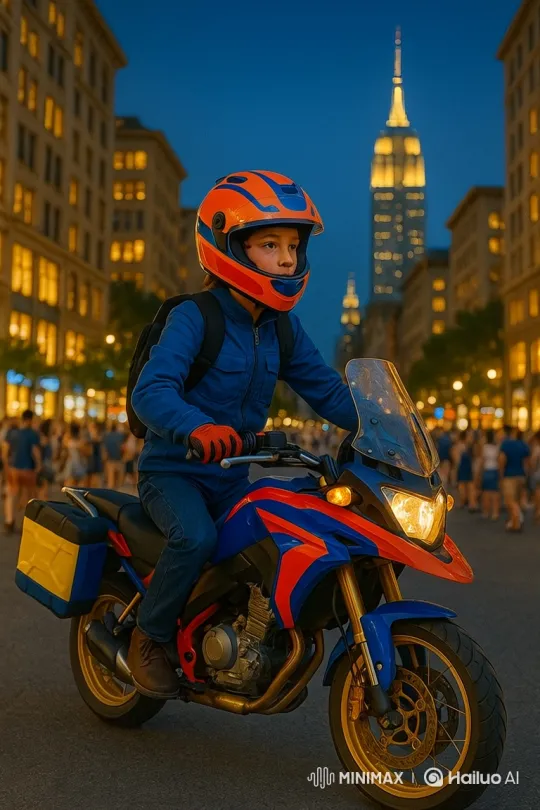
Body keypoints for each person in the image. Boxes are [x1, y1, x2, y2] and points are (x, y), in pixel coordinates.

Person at [126, 170, 359, 698]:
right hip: (174, 473)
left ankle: (261, 641)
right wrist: (198, 427)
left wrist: (387, 423)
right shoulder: (194, 316)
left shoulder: (280, 327)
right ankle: (149, 635)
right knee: (197, 538)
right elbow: (152, 391)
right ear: (228, 245)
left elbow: (326, 390)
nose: (285, 259)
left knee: (286, 530)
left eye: (293, 247)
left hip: (232, 478)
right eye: (269, 245)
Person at [2, 410, 40, 533]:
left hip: (13, 468)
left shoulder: (12, 433)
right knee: (28, 496)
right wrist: (39, 465)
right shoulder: (32, 434)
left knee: (11, 495)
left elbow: (5, 451)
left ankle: (9, 520)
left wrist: (6, 465)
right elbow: (35, 451)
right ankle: (24, 523)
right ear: (29, 420)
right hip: (27, 469)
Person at [499, 425, 530, 532]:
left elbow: (502, 459)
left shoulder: (506, 444)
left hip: (509, 476)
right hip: (521, 475)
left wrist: (501, 474)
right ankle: (513, 522)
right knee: (516, 499)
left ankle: (517, 520)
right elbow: (527, 462)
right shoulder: (523, 445)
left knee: (510, 501)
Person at [452, 431, 478, 510]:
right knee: (463, 486)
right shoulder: (459, 447)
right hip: (463, 469)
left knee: (470, 486)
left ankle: (471, 503)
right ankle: (464, 502)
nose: (471, 438)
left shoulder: (471, 447)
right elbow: (457, 461)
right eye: (469, 436)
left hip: (468, 469)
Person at [479, 429, 500, 521]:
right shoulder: (497, 447)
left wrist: (479, 473)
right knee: (495, 493)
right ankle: (495, 513)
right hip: (495, 470)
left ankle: (486, 512)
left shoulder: (484, 447)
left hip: (487, 470)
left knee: (486, 492)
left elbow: (482, 461)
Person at [103, 422, 126, 489]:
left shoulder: (107, 436)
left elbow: (104, 449)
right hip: (119, 459)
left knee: (111, 481)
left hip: (110, 460)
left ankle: (111, 496)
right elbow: (123, 447)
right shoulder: (120, 435)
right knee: (119, 482)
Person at [37, 419, 55, 500]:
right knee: (44, 491)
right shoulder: (43, 439)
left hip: (47, 466)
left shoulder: (49, 438)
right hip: (44, 466)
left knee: (45, 491)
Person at [528, 430, 540, 523]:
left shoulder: (537, 448)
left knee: (537, 492)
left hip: (538, 473)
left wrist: (531, 470)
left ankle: (538, 511)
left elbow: (533, 461)